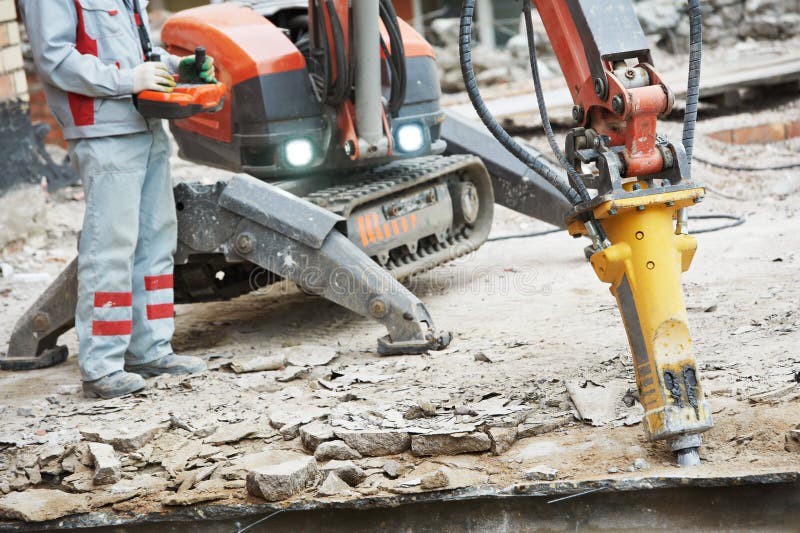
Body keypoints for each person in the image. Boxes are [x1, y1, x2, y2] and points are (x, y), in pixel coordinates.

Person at [20, 0, 217, 399]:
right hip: (104, 132)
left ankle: (151, 350)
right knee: (110, 249)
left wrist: (174, 68)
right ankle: (102, 367)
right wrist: (127, 80)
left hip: (147, 125)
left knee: (156, 241)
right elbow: (55, 59)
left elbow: (136, 51)